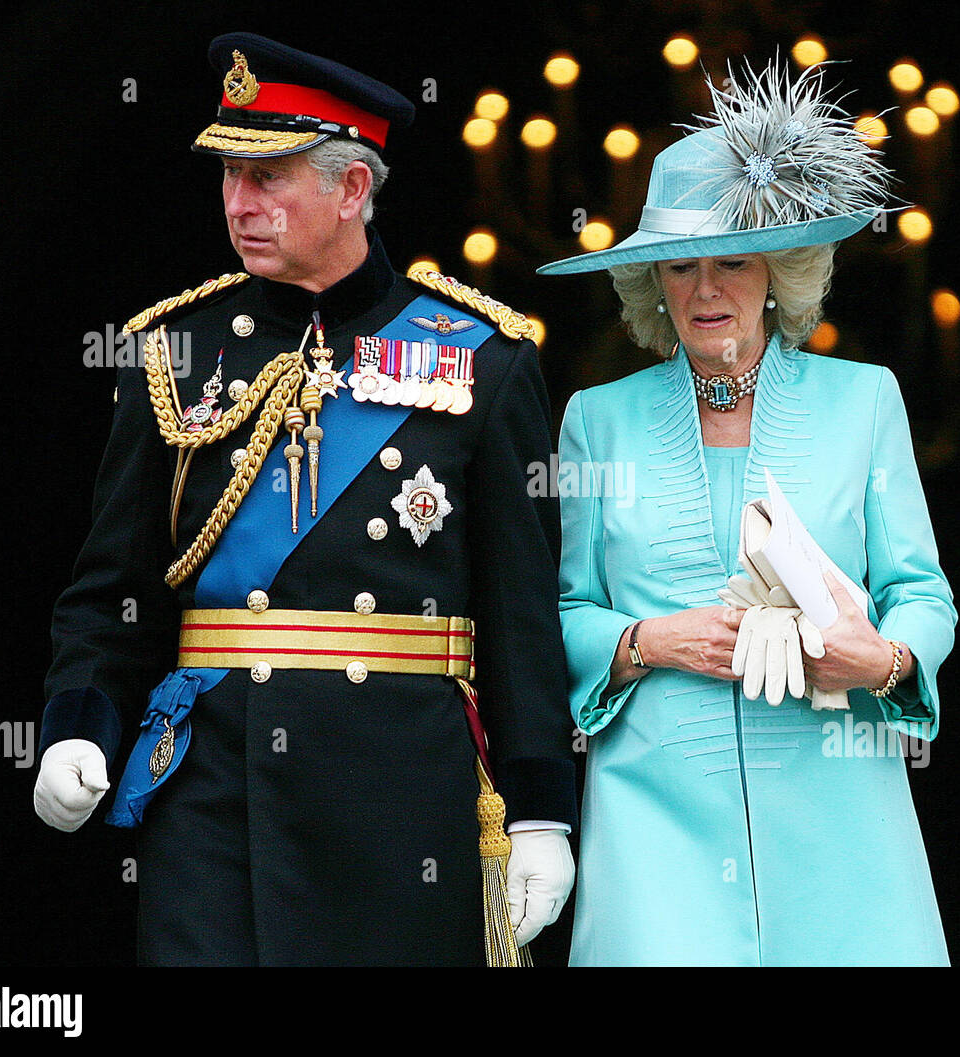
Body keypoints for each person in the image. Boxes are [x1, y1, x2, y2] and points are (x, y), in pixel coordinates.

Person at [33, 32, 576, 966]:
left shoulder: (485, 356)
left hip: (405, 807)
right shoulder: (176, 349)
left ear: (353, 189)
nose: (240, 205)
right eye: (229, 179)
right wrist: (77, 723)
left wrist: (540, 812)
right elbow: (111, 589)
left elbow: (519, 615)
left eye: (271, 178)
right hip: (215, 805)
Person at [538, 60, 956, 965]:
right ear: (652, 283)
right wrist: (656, 638)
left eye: (732, 260)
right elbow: (562, 615)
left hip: (840, 806)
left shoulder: (865, 402)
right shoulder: (596, 421)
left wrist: (880, 657)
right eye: (678, 265)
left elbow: (922, 591)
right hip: (656, 815)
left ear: (780, 272)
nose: (705, 288)